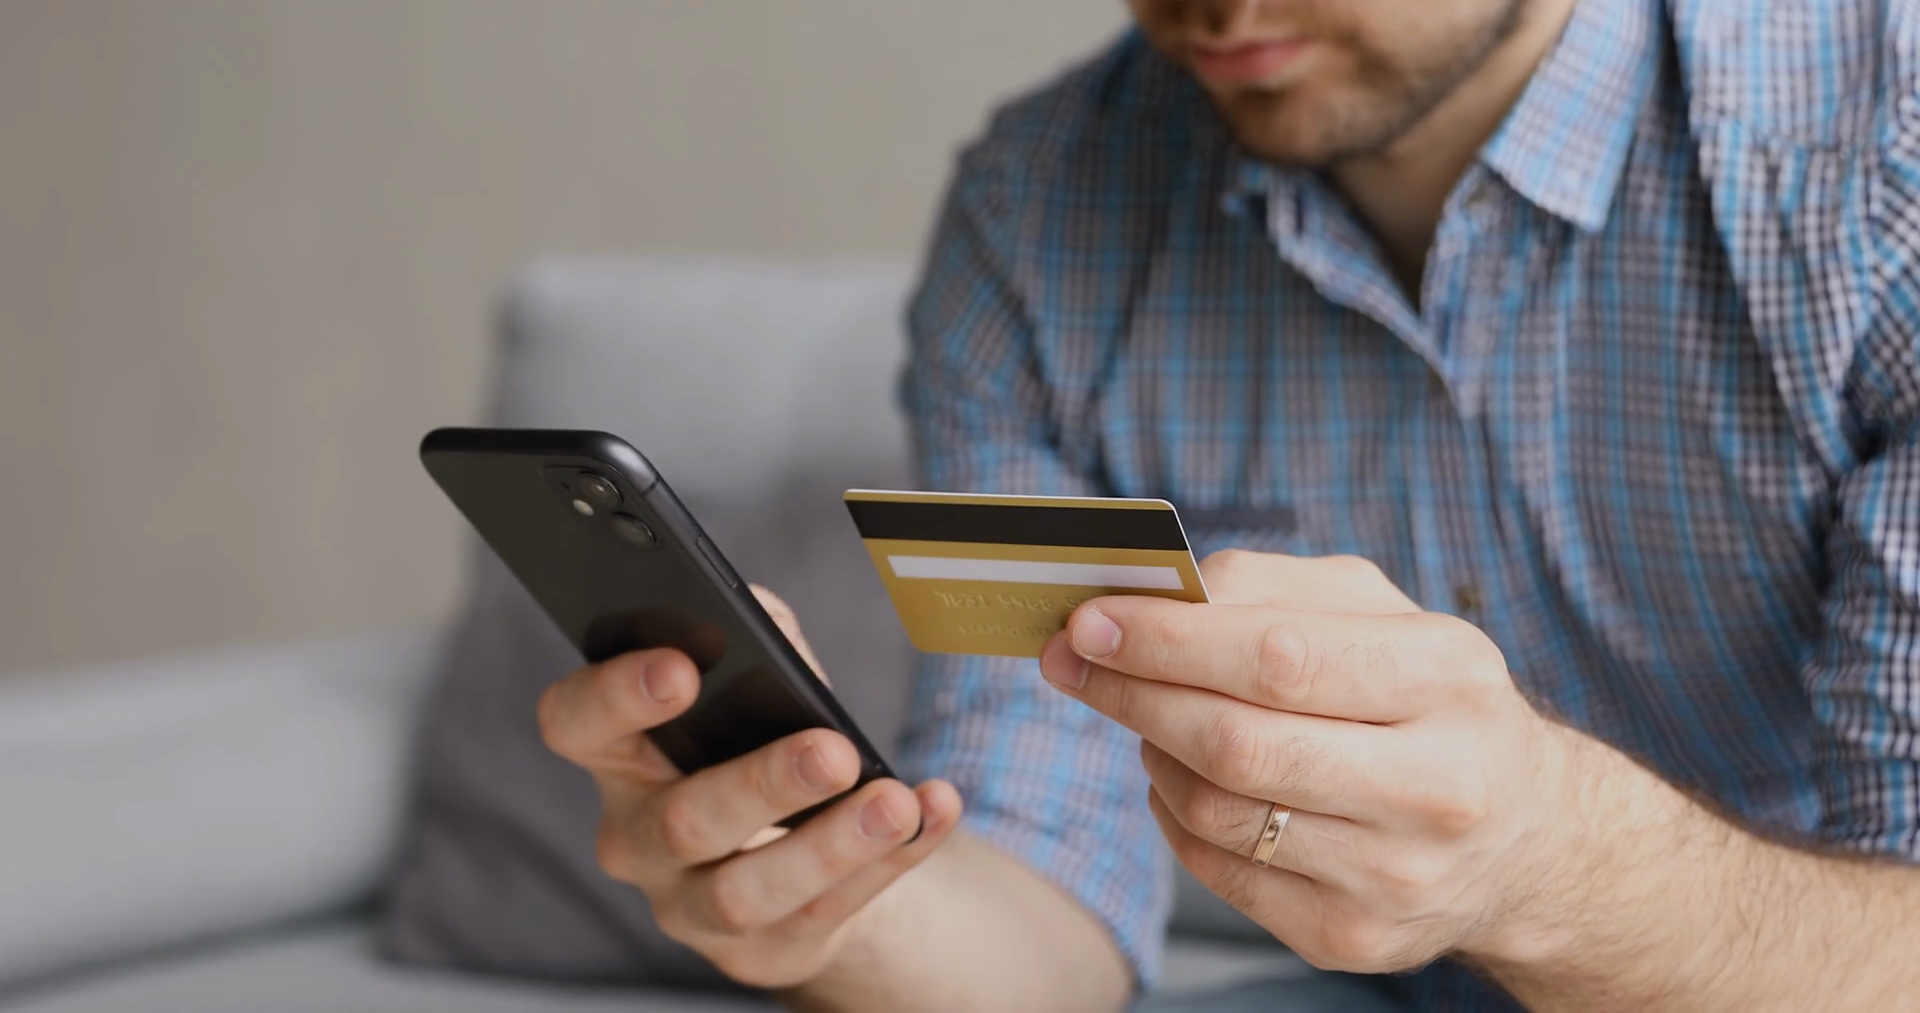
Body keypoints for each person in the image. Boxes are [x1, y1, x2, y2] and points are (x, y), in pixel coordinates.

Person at [535, 0, 1920, 1008]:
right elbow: (1045, 903)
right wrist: (828, 902)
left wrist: (1542, 857)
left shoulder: (1883, 158)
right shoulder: (1041, 216)